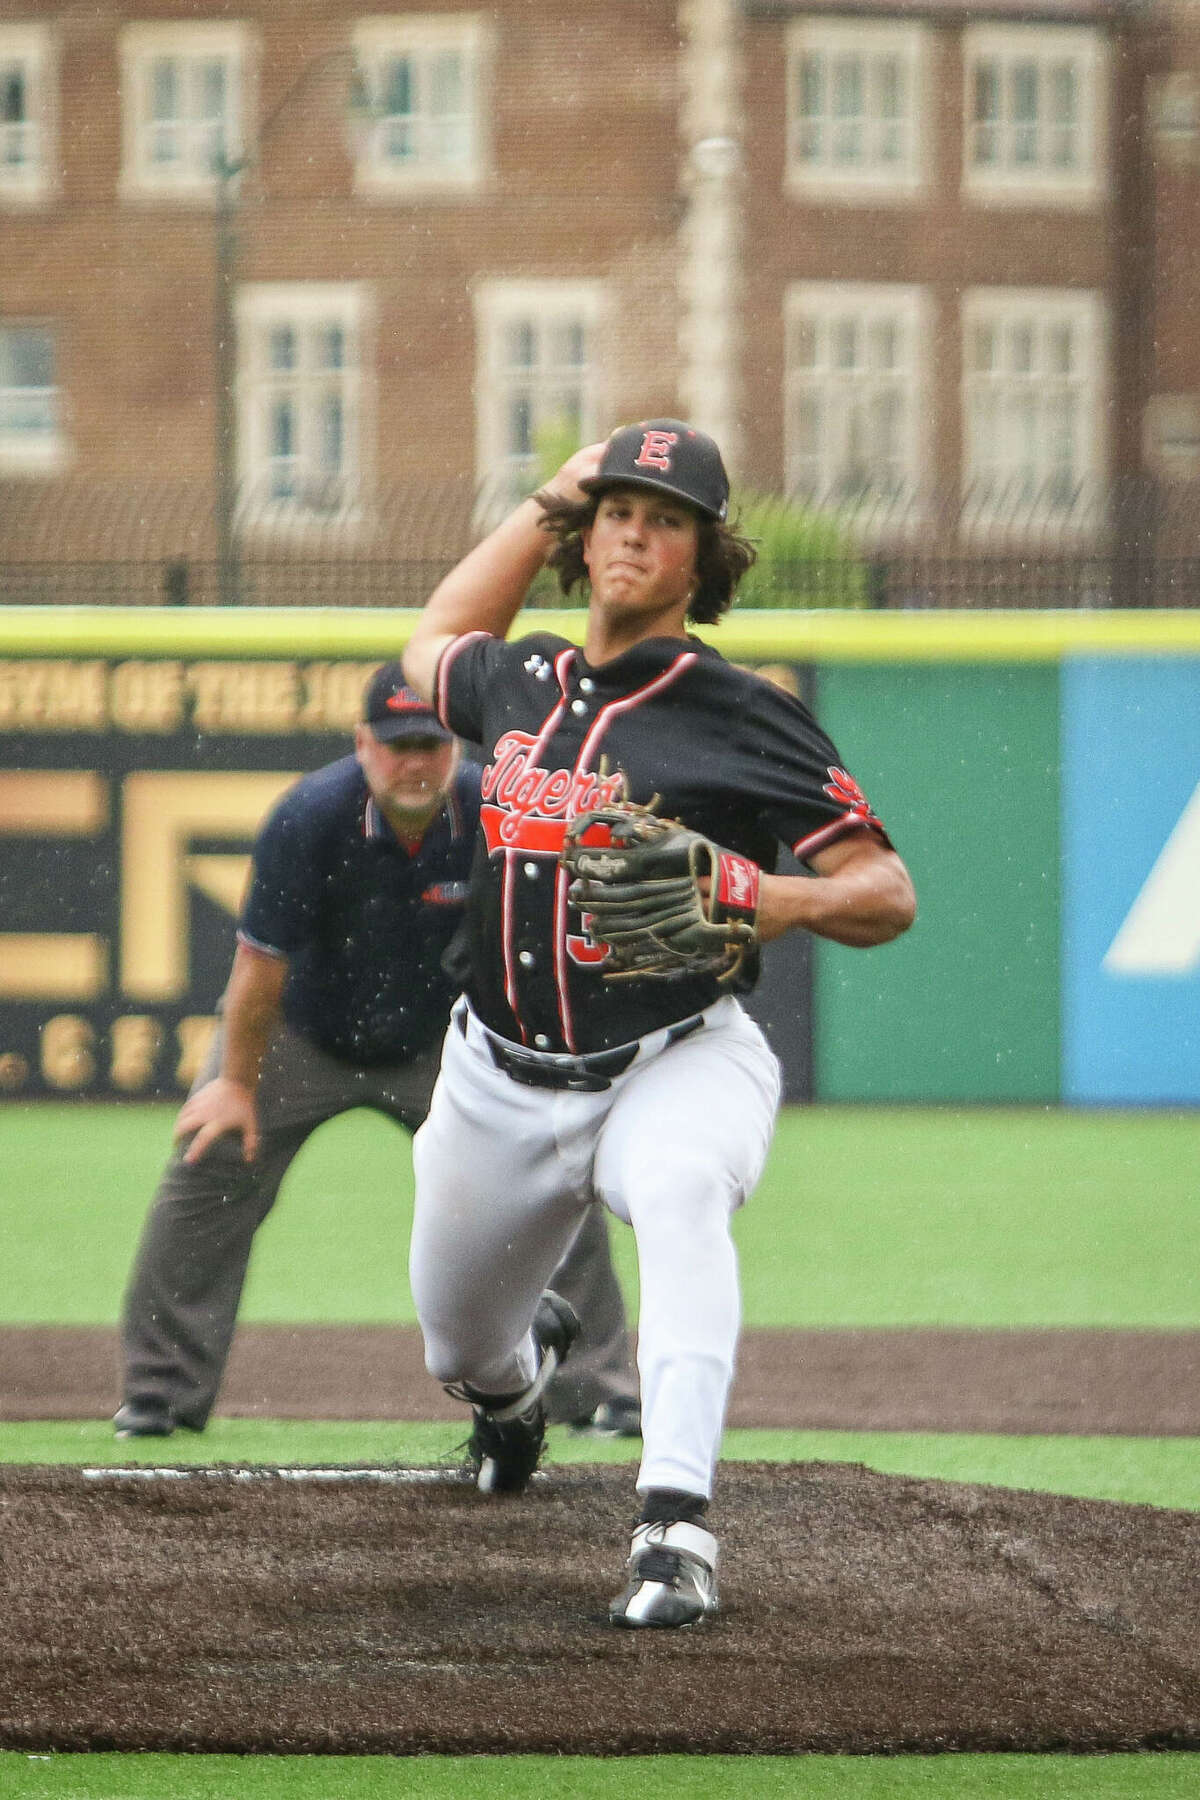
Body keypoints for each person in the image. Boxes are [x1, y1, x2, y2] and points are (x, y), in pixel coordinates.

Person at [399, 419, 917, 1629]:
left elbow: (885, 894)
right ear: (589, 536)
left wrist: (765, 893)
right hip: (497, 1079)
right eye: (619, 510)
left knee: (681, 1192)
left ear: (704, 558)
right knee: (457, 1347)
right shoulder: (521, 679)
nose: (637, 530)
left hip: (674, 1061)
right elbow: (428, 643)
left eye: (667, 517)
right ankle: (517, 1395)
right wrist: (548, 498)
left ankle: (673, 1523)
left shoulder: (742, 713)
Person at [114, 663, 640, 1442]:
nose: (414, 762)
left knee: (548, 1171)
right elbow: (259, 974)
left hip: (442, 1039)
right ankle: (158, 1396)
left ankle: (599, 1390)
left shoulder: (490, 813)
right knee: (208, 1166)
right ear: (363, 746)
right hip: (300, 1032)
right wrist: (234, 1084)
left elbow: (536, 940)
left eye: (430, 744)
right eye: (396, 746)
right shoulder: (311, 817)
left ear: (456, 749)